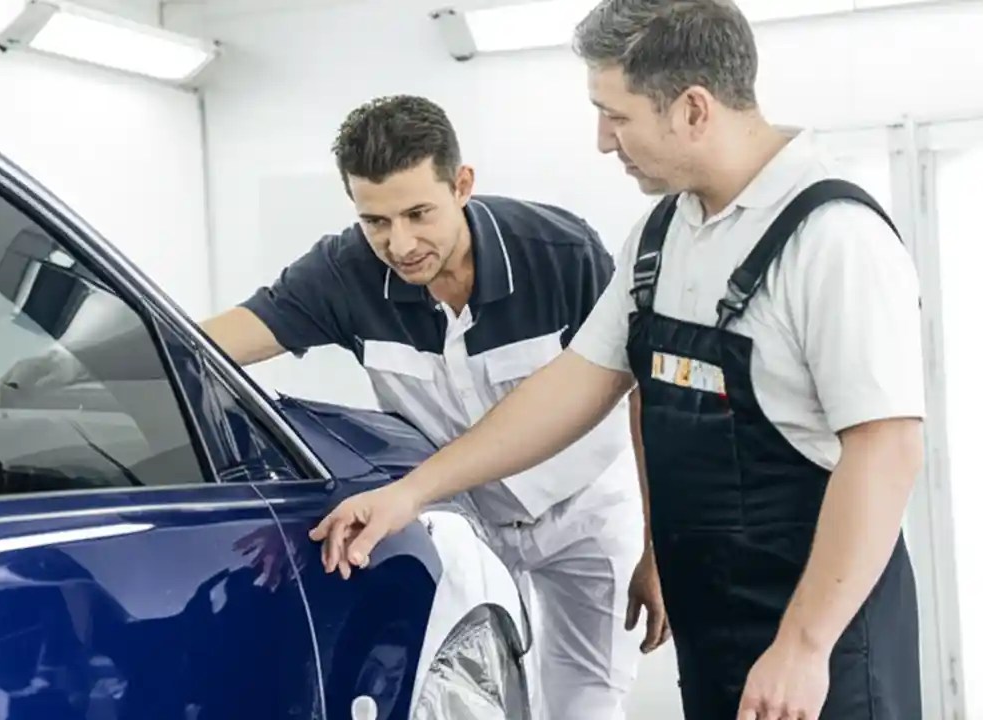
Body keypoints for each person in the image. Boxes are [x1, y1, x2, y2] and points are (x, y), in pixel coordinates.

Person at [308, 3, 926, 720]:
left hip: (823, 631)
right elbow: (574, 385)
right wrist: (412, 491)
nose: (604, 141)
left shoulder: (833, 238)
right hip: (713, 620)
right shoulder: (663, 235)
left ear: (693, 109)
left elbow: (887, 450)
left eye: (616, 115)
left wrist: (805, 645)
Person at [200, 94, 658, 719]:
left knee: (586, 705)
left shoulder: (561, 253)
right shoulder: (342, 271)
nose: (400, 243)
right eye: (376, 221)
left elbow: (645, 391)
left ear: (462, 184)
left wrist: (661, 546)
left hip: (583, 514)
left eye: (419, 213)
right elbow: (201, 346)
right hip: (464, 523)